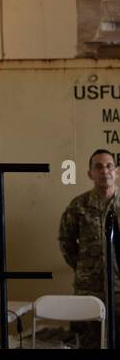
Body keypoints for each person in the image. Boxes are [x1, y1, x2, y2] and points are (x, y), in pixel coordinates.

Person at [58, 148, 120, 348]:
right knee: (86, 343)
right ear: (90, 173)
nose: (105, 171)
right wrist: (84, 268)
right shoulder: (79, 206)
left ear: (116, 171)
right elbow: (66, 241)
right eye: (98, 167)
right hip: (89, 289)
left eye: (109, 166)